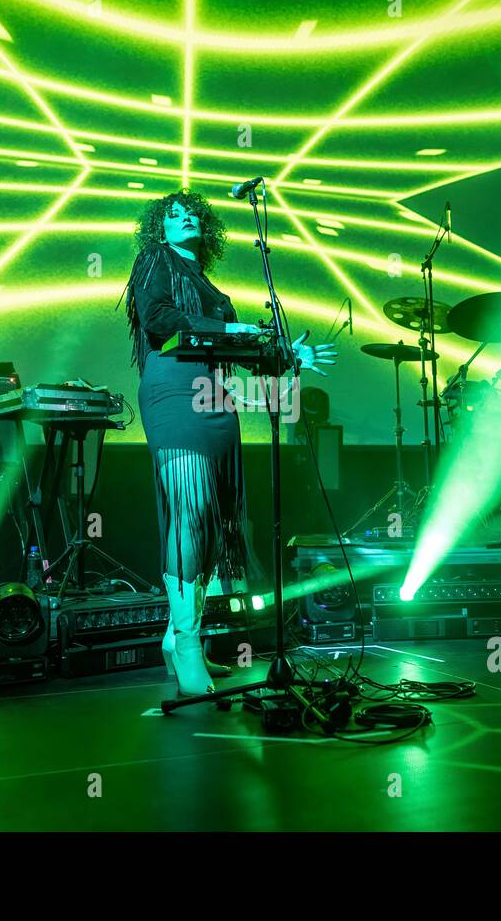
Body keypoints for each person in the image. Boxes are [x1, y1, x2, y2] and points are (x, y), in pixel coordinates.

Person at [123, 191, 335, 696]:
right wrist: (228, 326)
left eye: (192, 213)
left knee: (211, 520)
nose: (185, 218)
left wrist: (289, 353)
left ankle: (176, 639)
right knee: (189, 511)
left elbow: (243, 351)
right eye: (173, 215)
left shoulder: (212, 289)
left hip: (215, 400)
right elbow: (157, 318)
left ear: (209, 228)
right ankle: (190, 644)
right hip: (174, 391)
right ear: (160, 228)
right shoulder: (154, 260)